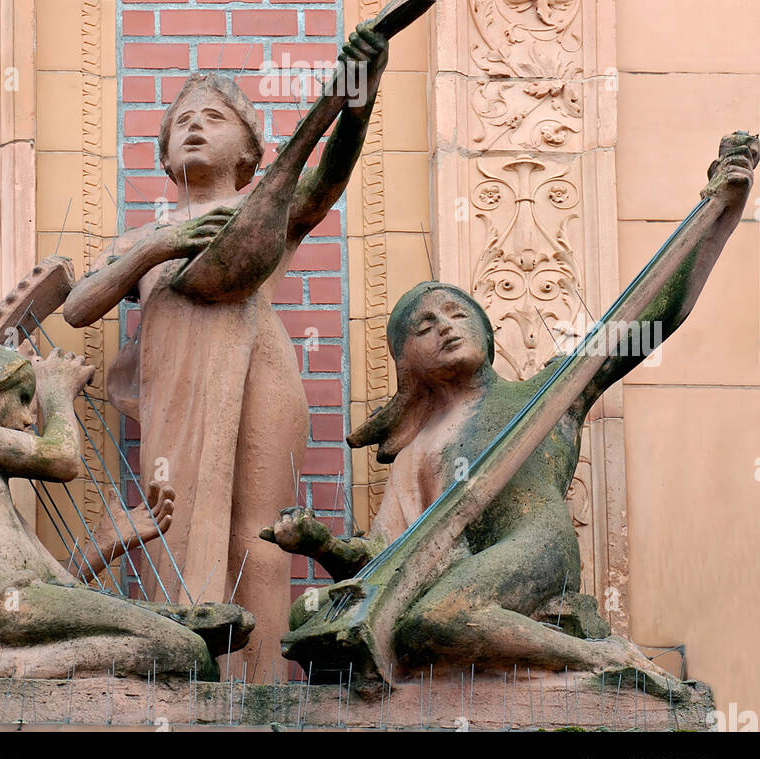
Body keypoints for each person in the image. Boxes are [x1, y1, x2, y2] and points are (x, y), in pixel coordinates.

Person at [264, 134, 758, 685]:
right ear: (409, 365)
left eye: (456, 313)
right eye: (424, 327)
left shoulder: (542, 397)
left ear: (487, 329)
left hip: (536, 545)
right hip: (457, 576)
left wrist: (722, 211)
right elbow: (388, 563)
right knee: (311, 614)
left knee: (436, 619)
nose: (445, 327)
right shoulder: (416, 454)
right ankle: (590, 661)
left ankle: (608, 661)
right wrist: (321, 544)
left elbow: (651, 319)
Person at [63, 24, 389, 670]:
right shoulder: (142, 237)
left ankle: (264, 685)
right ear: (162, 155)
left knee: (260, 531)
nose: (192, 127)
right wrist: (156, 249)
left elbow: (325, 179)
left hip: (261, 370)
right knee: (173, 519)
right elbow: (79, 307)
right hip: (175, 387)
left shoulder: (263, 207)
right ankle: (185, 674)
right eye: (180, 121)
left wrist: (359, 95)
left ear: (248, 154)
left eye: (213, 118)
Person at [0, 340, 225, 678]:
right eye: (21, 398)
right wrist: (57, 392)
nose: (26, 418)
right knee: (189, 652)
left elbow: (62, 589)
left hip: (1, 601)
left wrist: (110, 547)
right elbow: (61, 459)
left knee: (193, 653)